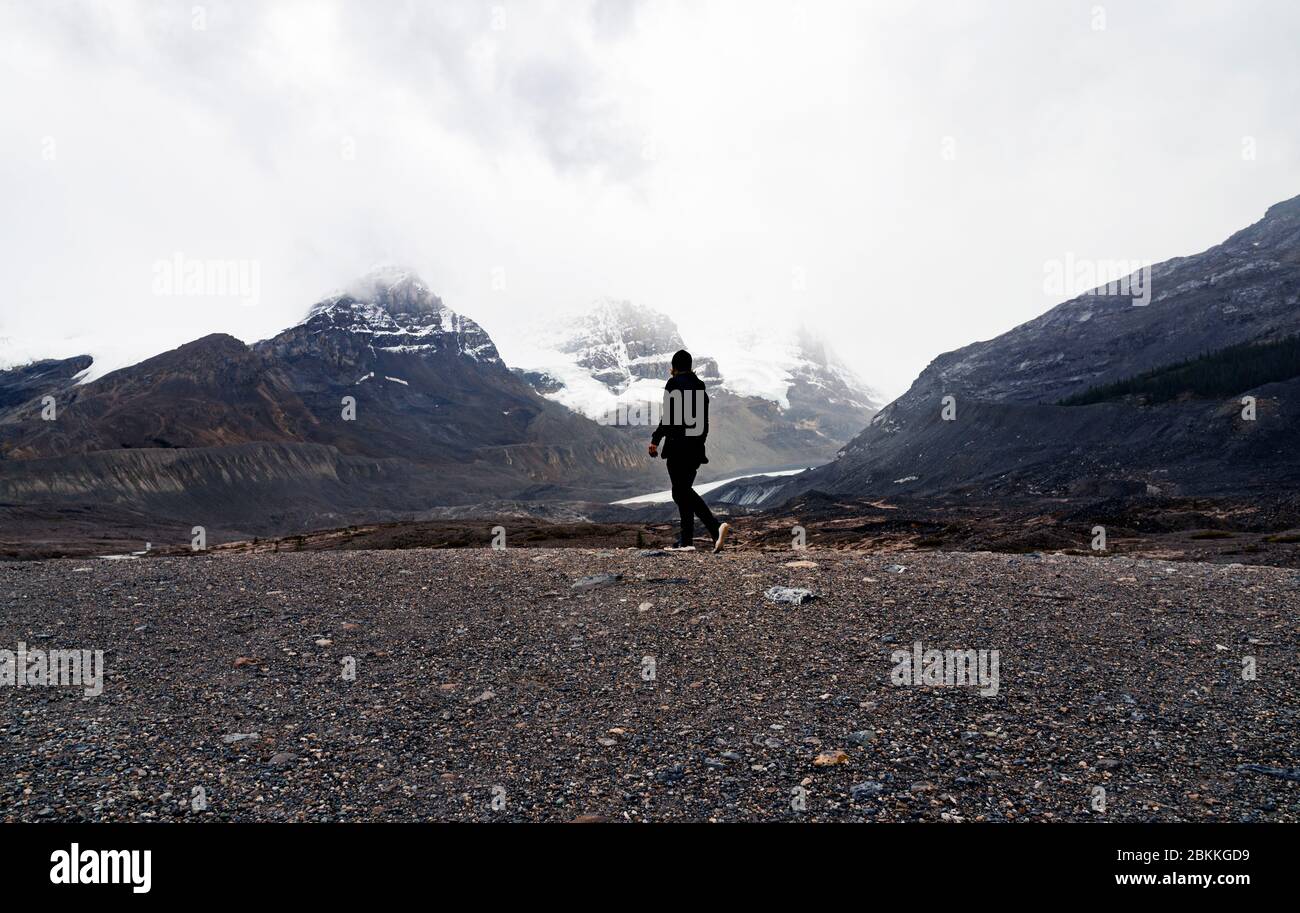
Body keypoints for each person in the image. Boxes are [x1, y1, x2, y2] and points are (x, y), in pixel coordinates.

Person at [648, 349, 731, 552]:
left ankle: (715, 527)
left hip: (678, 447)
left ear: (674, 367)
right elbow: (704, 420)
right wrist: (699, 443)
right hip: (695, 449)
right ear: (691, 366)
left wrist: (655, 439)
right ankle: (686, 542)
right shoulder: (700, 387)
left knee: (681, 491)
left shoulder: (673, 384)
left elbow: (670, 416)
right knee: (681, 491)